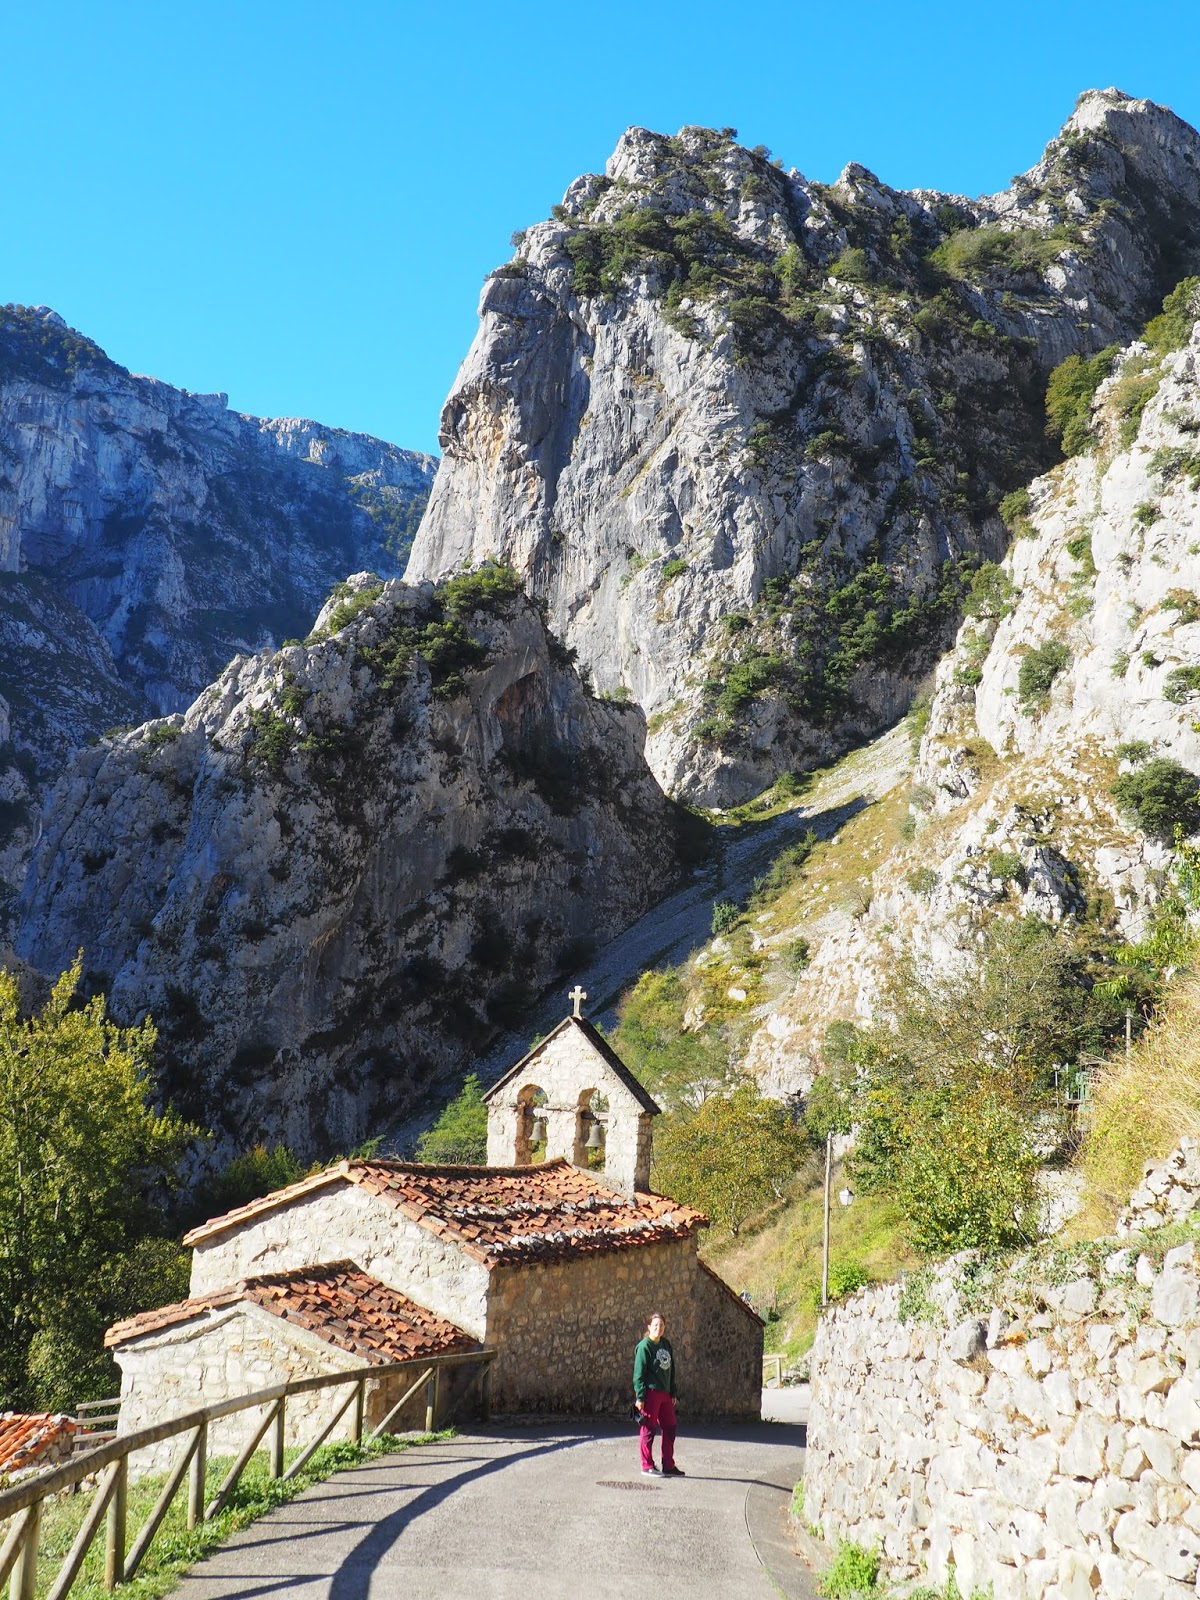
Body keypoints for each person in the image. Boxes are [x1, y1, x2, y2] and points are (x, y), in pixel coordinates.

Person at [633, 1311, 684, 1477]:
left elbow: (671, 1369)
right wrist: (640, 1396)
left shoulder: (666, 1344)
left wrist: (673, 1391)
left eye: (661, 1325)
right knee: (649, 1428)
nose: (658, 1328)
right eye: (655, 1325)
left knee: (670, 1427)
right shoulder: (644, 1347)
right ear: (649, 1327)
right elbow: (639, 1374)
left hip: (665, 1393)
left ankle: (668, 1464)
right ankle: (647, 1465)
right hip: (651, 1392)